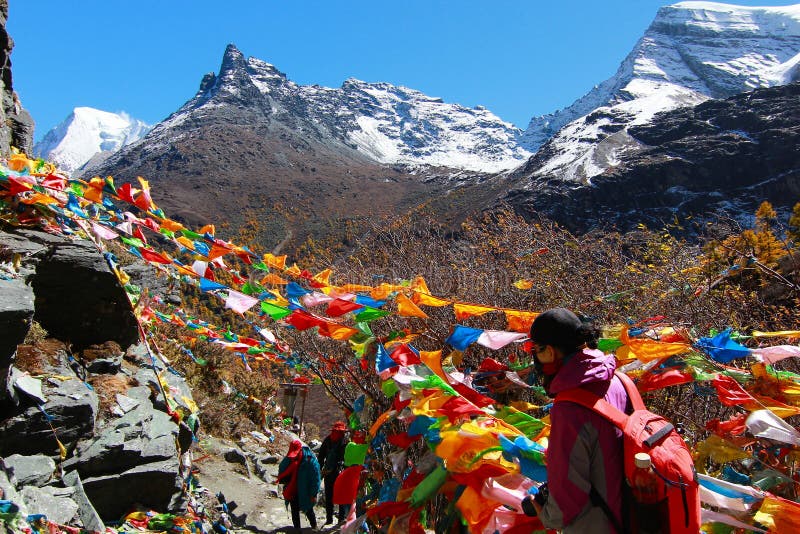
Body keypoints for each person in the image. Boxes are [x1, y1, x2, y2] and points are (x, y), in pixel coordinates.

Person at [520, 308, 630, 533]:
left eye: (537, 351)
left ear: (548, 351)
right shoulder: (620, 380)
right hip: (632, 517)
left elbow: (566, 499)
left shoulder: (569, 409)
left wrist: (547, 514)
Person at [276, 439, 321, 531]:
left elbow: (315, 478)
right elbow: (282, 468)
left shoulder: (310, 461)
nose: (293, 456)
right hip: (293, 488)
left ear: (300, 450)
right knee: (294, 509)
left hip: (306, 489)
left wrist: (313, 493)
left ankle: (314, 526)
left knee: (308, 508)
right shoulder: (289, 458)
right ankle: (297, 530)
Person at [317, 421, 349, 524]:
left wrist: (320, 469)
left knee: (329, 495)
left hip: (328, 472)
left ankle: (329, 518)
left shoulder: (327, 440)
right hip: (340, 472)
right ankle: (341, 518)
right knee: (342, 494)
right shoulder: (345, 441)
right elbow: (347, 458)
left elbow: (321, 456)